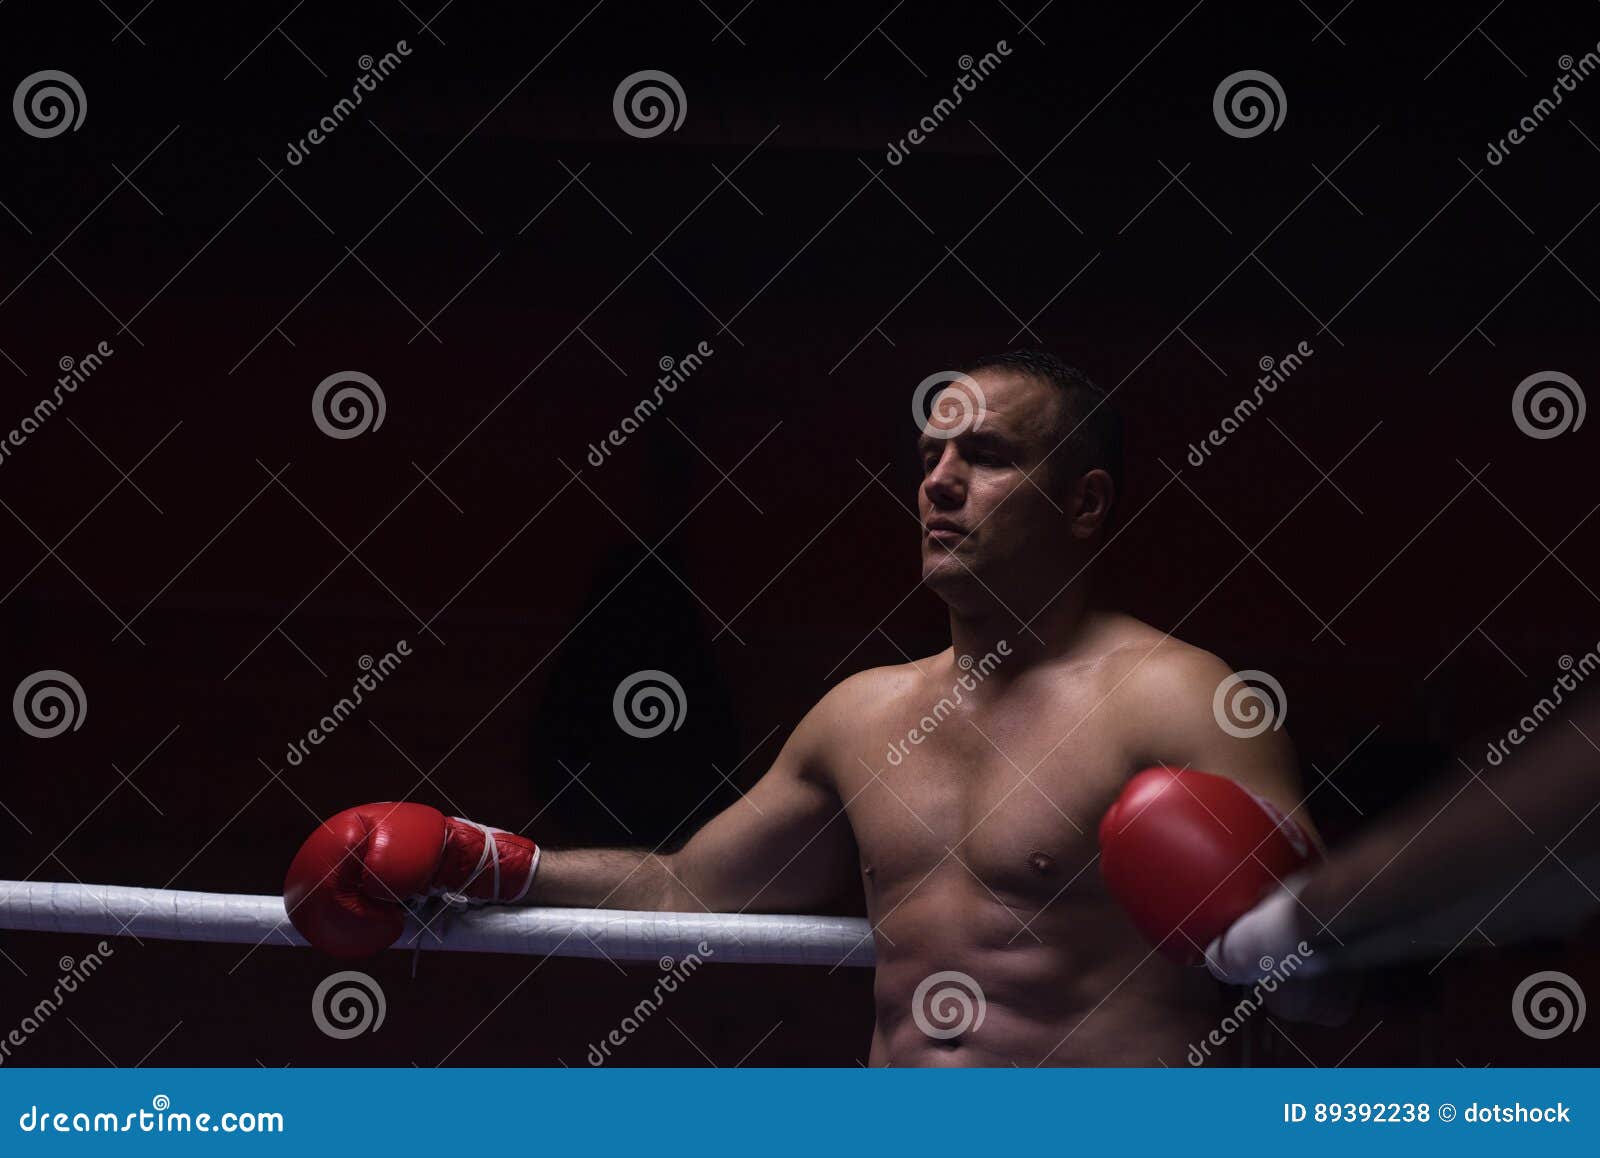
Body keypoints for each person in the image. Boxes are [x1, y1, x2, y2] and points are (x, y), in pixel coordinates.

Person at [285, 350, 1340, 1066]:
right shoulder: (862, 717)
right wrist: (482, 861)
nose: (938, 483)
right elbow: (685, 896)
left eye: (987, 458)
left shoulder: (1174, 696)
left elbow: (1328, 976)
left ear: (1085, 504)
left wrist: (1279, 938)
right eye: (929, 456)